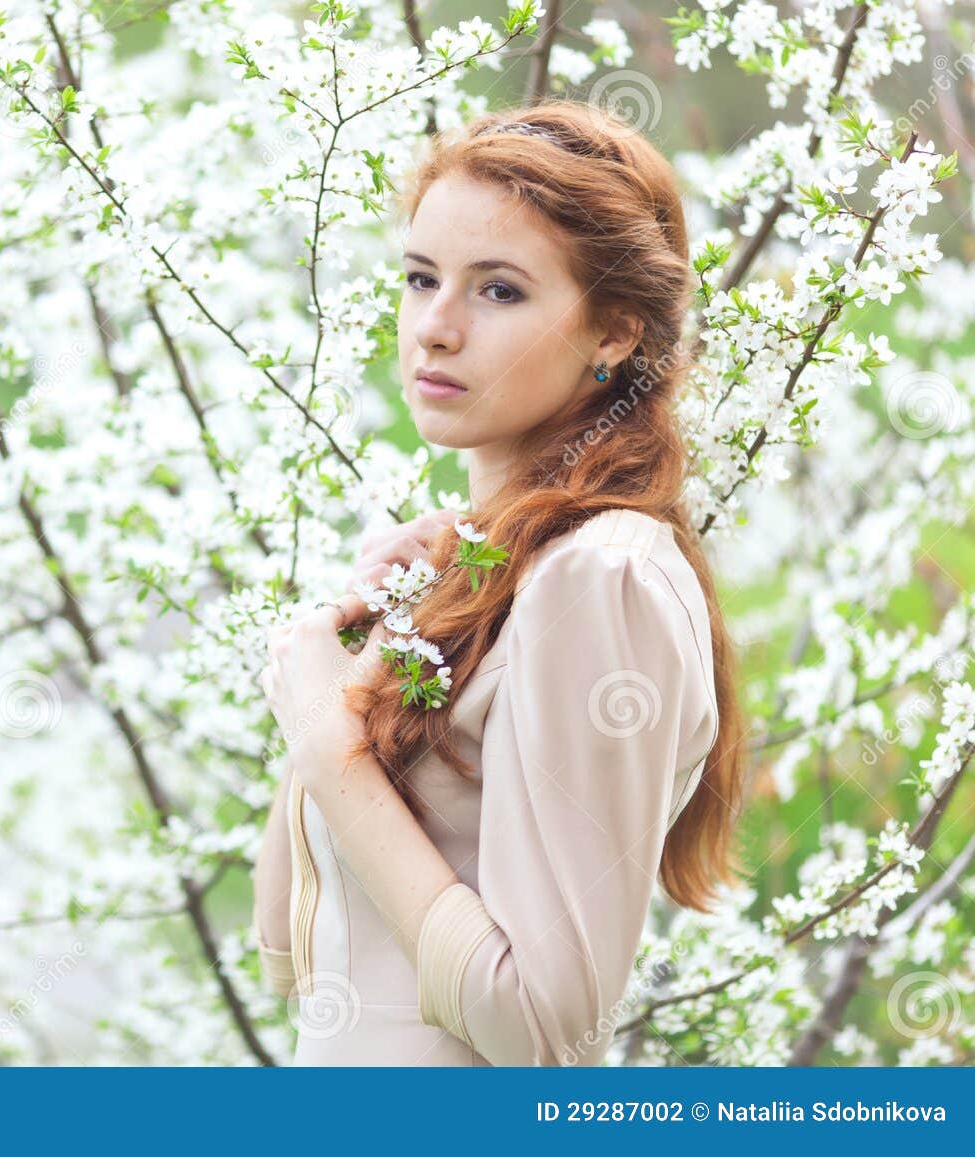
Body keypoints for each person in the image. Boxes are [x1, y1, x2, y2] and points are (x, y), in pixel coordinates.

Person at [253, 100, 748, 1066]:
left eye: (500, 292)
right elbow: (293, 947)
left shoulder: (600, 578)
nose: (435, 328)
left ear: (613, 334)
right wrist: (358, 684)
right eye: (420, 278)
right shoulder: (492, 572)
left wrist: (330, 744)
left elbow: (541, 1028)